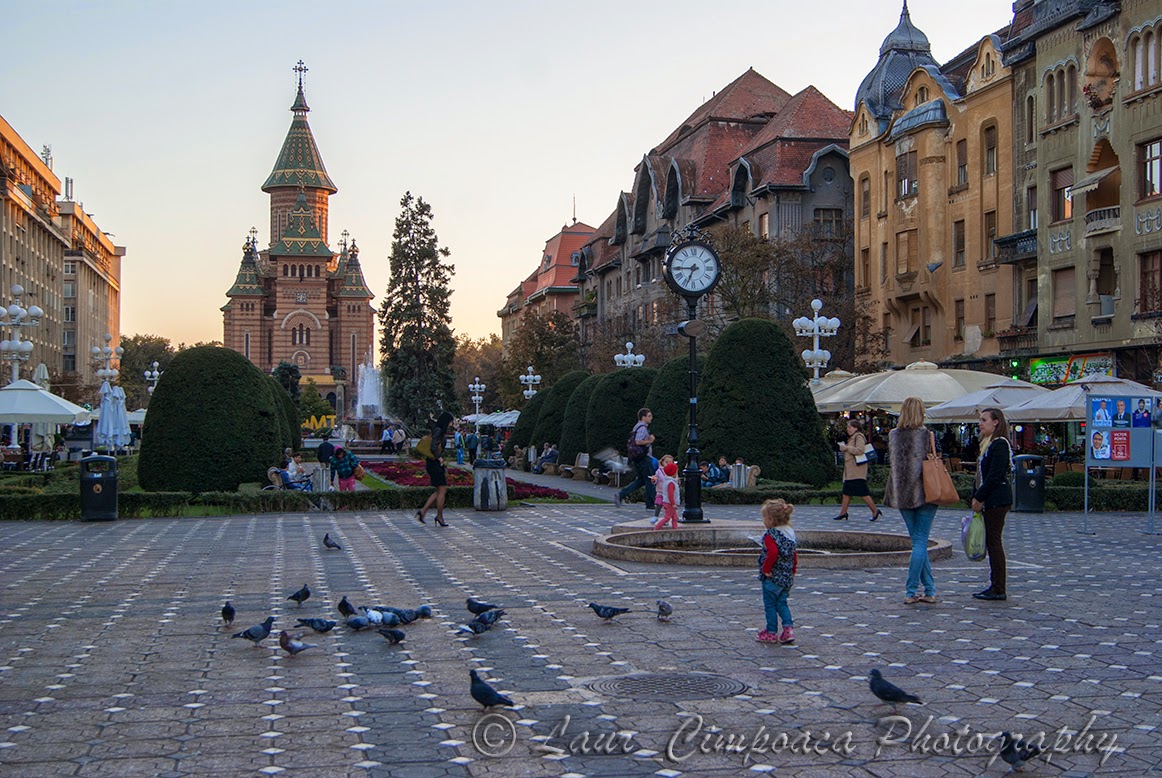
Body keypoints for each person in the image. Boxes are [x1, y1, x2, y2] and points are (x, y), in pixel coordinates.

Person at [882, 396, 939, 605]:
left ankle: (930, 590)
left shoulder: (893, 435)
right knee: (920, 542)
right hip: (926, 492)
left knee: (917, 542)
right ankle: (911, 590)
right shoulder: (927, 435)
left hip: (902, 493)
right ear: (921, 412)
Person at [971, 408, 1014, 602]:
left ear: (996, 422)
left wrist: (979, 497)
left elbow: (994, 476)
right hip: (991, 499)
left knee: (994, 543)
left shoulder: (999, 445)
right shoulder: (987, 444)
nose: (981, 423)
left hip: (997, 500)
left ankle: (998, 587)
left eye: (984, 420)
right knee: (992, 542)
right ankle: (995, 584)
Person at [756, 498, 798, 644]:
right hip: (786, 577)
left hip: (773, 577)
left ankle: (771, 631)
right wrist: (793, 570)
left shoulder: (770, 535)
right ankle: (788, 629)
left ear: (771, 519)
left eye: (764, 518)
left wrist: (766, 569)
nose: (763, 521)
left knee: (770, 606)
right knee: (782, 603)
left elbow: (772, 553)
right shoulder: (789, 533)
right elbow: (793, 554)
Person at [834, 419, 882, 522]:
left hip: (857, 470)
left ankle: (874, 510)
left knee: (862, 492)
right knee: (846, 492)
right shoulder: (852, 438)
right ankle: (843, 512)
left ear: (856, 427)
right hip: (851, 470)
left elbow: (860, 450)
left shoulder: (859, 436)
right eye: (847, 427)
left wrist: (846, 448)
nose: (848, 429)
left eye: (850, 427)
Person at [614, 408, 656, 509]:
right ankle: (650, 504)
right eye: (649, 416)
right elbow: (638, 441)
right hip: (644, 457)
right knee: (650, 479)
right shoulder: (642, 428)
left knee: (641, 480)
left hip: (638, 457)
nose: (651, 418)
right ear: (643, 417)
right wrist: (650, 441)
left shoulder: (637, 427)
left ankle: (621, 494)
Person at [417, 411, 454, 526]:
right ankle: (439, 516)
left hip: (432, 463)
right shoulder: (438, 430)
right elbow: (433, 447)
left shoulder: (437, 430)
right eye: (450, 422)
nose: (451, 424)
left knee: (439, 490)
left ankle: (423, 511)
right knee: (442, 490)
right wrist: (439, 458)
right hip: (434, 463)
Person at [652, 458, 681, 530]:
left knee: (674, 517)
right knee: (667, 517)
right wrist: (673, 503)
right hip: (670, 503)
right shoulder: (671, 483)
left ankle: (675, 529)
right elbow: (670, 494)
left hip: (668, 503)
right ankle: (657, 528)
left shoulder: (669, 481)